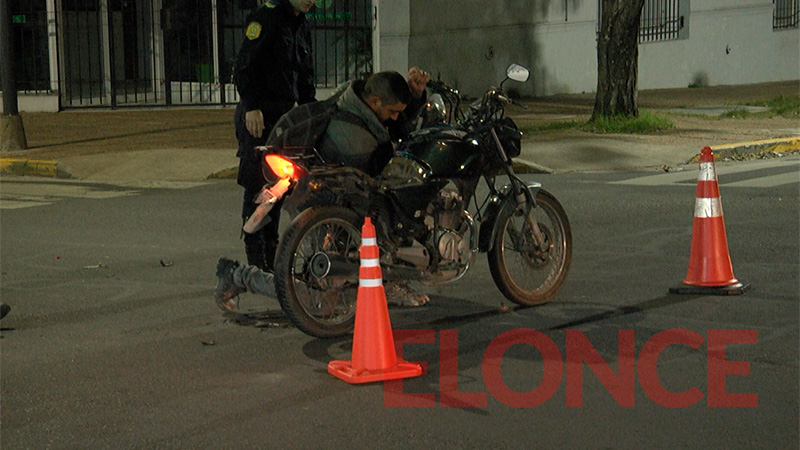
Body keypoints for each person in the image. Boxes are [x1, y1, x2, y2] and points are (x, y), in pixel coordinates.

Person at [214, 69, 432, 312]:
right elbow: (374, 188)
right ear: (375, 102)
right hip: (324, 206)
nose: (394, 118)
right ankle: (237, 275)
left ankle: (383, 282)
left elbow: (395, 128)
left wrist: (416, 96)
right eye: (392, 112)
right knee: (316, 298)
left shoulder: (356, 100)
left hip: (324, 195)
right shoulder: (354, 138)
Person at [232, 0, 316, 274]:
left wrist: (310, 114)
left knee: (280, 186)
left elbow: (304, 77)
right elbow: (244, 65)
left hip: (285, 118)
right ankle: (256, 257)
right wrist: (251, 105)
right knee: (258, 184)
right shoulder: (266, 17)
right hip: (259, 114)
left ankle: (272, 253)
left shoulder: (302, 25)